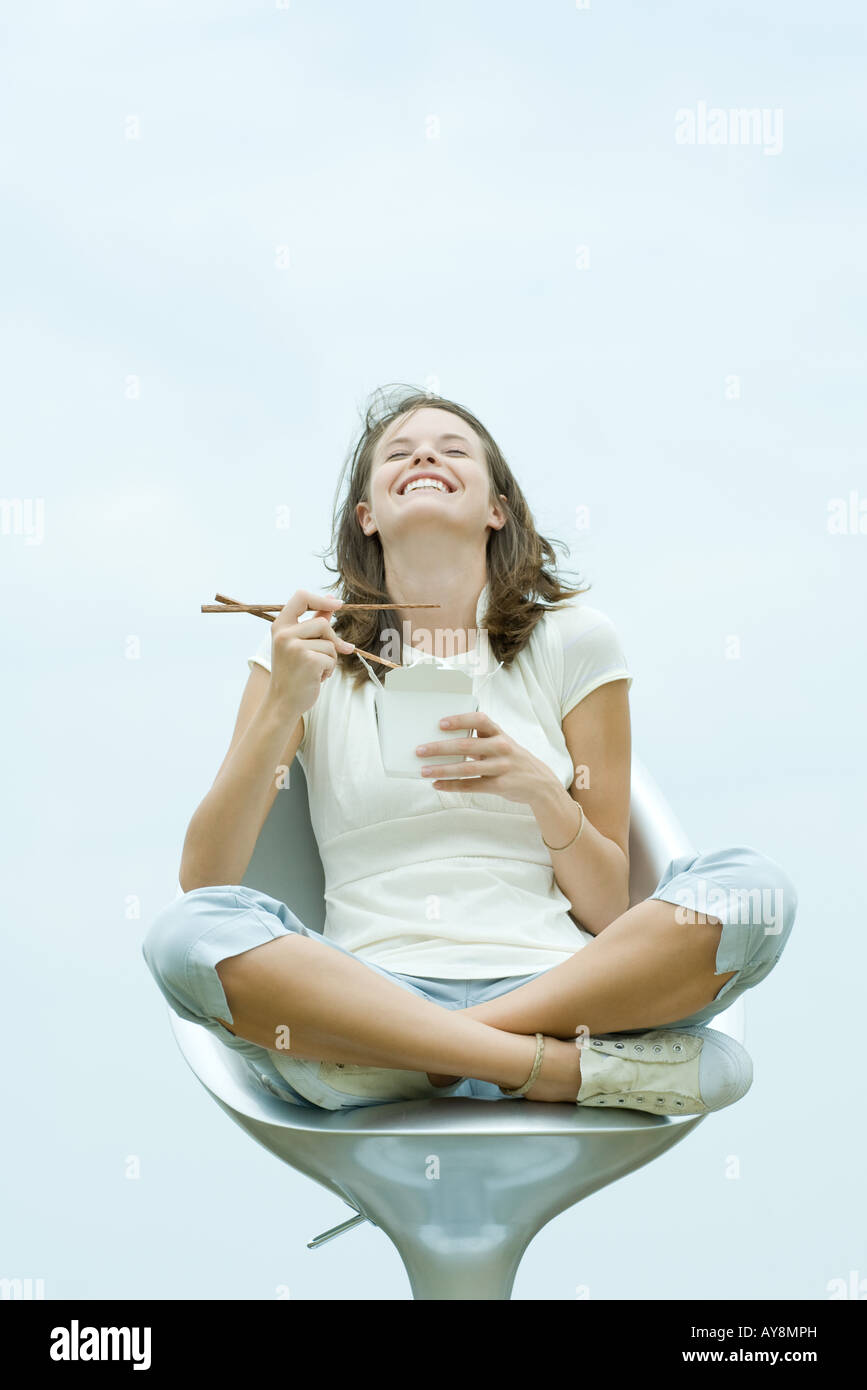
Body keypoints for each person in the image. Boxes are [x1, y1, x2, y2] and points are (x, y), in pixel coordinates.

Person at [142, 384, 797, 1113]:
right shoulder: (304, 657)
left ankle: (407, 1059)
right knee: (184, 936)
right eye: (399, 452)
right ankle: (552, 1071)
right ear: (367, 515)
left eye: (453, 450)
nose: (425, 454)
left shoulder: (573, 641)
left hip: (551, 985)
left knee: (755, 889)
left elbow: (612, 905)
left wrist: (541, 791)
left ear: (496, 509)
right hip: (370, 985)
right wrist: (284, 705)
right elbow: (206, 881)